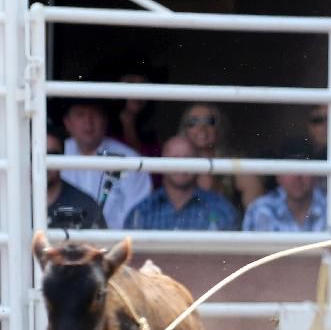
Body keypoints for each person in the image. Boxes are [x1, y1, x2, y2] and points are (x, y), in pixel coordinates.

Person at [59, 98, 152, 230]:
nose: (88, 122)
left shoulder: (128, 159)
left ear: (105, 121)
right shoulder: (56, 154)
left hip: (113, 244)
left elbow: (136, 214)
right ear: (67, 123)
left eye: (95, 115)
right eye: (80, 115)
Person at [123, 136, 240, 231]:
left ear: (198, 162)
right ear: (161, 162)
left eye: (187, 158)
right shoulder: (141, 212)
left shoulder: (222, 209)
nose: (181, 165)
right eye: (175, 158)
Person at [178, 102, 265, 213]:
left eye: (209, 121)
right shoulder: (176, 162)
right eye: (193, 122)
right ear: (185, 129)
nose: (201, 128)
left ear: (219, 128)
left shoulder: (234, 163)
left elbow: (257, 213)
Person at [243, 140, 327, 232]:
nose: (297, 176)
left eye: (304, 168)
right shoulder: (259, 210)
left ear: (316, 174)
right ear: (278, 176)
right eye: (290, 168)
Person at [46, 129, 106, 229]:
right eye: (31, 155)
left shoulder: (85, 206)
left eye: (52, 155)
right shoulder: (12, 201)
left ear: (62, 159)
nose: (44, 163)